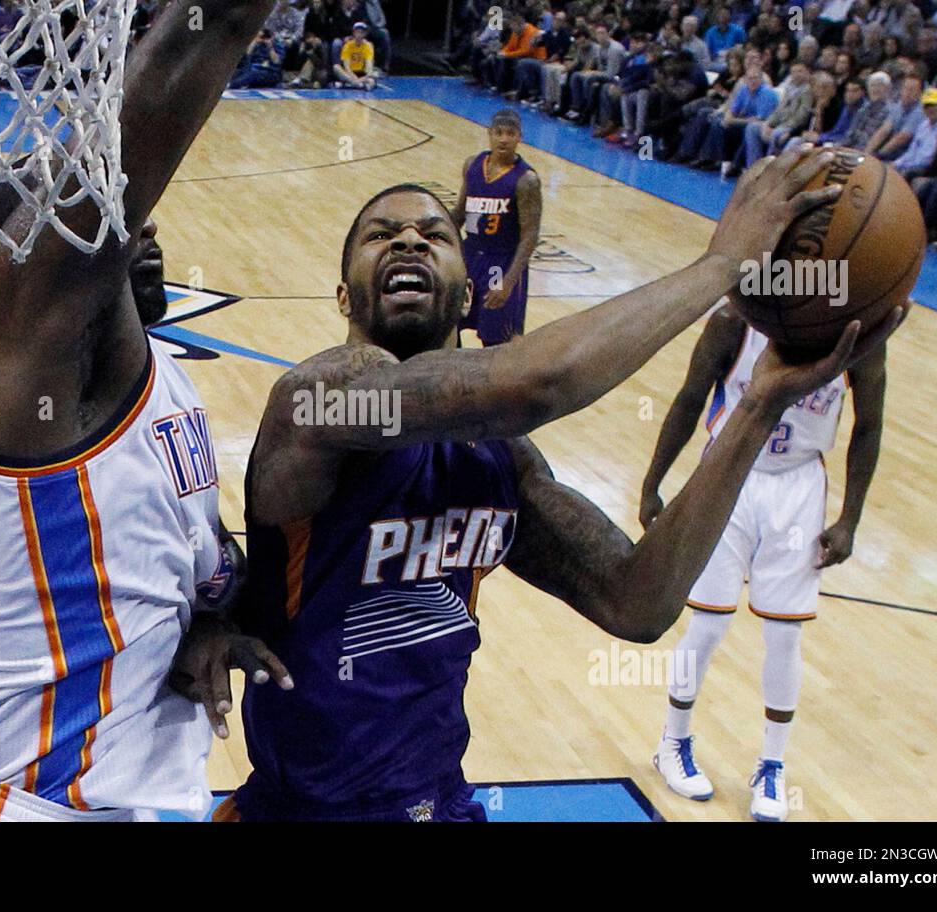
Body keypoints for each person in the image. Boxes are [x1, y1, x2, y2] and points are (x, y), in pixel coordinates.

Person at [210, 148, 900, 822]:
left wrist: (756, 407)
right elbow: (538, 383)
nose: (411, 240)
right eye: (381, 235)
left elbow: (636, 602)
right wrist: (721, 265)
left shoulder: (499, 459)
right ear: (341, 293)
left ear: (470, 291)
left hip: (440, 801)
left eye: (434, 234)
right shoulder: (316, 402)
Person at [0, 0, 291, 823]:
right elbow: (190, 48)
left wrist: (217, 620)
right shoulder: (21, 395)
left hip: (108, 803)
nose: (132, 233)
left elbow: (200, 560)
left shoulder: (165, 386)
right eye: (81, 222)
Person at [641, 293, 895, 823]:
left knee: (785, 635)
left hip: (800, 484)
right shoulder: (733, 323)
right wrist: (652, 484)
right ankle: (672, 741)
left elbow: (868, 426)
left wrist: (849, 518)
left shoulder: (859, 339)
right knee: (707, 626)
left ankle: (772, 765)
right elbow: (689, 398)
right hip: (729, 472)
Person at [454, 108, 541, 346]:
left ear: (519, 137)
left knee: (497, 343)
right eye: (499, 133)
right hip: (468, 256)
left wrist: (508, 282)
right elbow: (459, 214)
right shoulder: (472, 165)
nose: (504, 139)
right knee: (450, 327)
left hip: (501, 264)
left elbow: (530, 235)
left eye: (510, 134)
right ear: (489, 134)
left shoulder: (526, 180)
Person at [334, 20, 375, 90]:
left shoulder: (368, 46)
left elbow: (369, 66)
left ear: (365, 34)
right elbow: (346, 67)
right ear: (353, 33)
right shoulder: (348, 45)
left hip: (361, 72)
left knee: (372, 80)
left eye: (362, 32)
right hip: (349, 73)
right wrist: (355, 79)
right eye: (357, 32)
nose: (359, 35)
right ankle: (358, 85)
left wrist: (364, 78)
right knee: (336, 67)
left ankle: (349, 84)